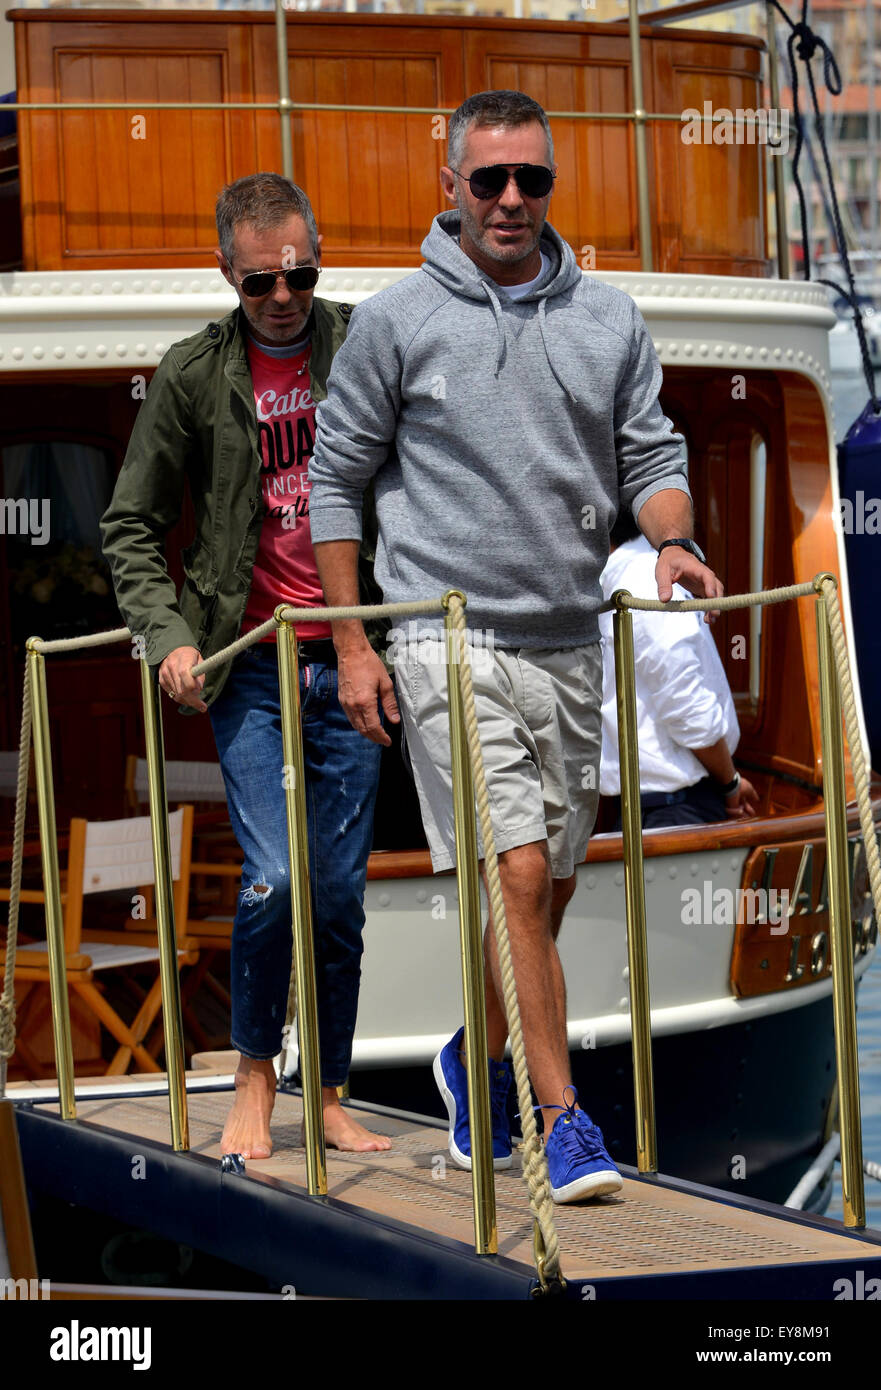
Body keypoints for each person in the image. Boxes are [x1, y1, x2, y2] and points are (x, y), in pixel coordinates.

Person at [308, 90, 723, 1203]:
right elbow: (334, 487)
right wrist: (355, 644)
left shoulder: (607, 318)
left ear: (550, 187)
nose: (507, 200)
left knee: (548, 891)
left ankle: (466, 1053)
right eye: (486, 179)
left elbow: (651, 452)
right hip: (446, 639)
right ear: (448, 184)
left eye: (529, 181)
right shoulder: (395, 321)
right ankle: (562, 1119)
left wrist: (672, 542)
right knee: (517, 869)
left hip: (568, 640)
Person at [101, 173, 390, 1160]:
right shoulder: (191, 374)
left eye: (301, 274)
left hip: (356, 658)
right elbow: (129, 525)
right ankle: (255, 1078)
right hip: (253, 663)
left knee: (341, 894)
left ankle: (336, 1089)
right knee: (271, 880)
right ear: (226, 271)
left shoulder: (365, 343)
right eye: (261, 279)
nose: (283, 295)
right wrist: (166, 633)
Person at [599, 511, 759, 828]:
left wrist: (728, 783)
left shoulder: (631, 580)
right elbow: (684, 701)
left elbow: (681, 701)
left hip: (661, 810)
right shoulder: (644, 577)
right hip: (674, 807)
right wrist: (731, 782)